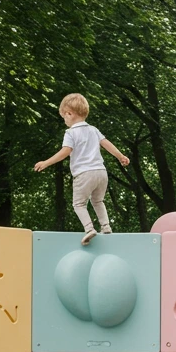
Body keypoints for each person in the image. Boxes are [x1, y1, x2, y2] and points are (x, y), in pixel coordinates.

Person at [34, 92, 130, 245]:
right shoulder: (93, 129)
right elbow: (107, 144)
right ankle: (106, 227)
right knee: (98, 201)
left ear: (69, 113)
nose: (64, 120)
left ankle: (89, 229)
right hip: (101, 172)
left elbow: (65, 151)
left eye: (64, 117)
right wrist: (120, 156)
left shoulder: (71, 133)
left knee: (79, 204)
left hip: (84, 174)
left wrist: (46, 162)